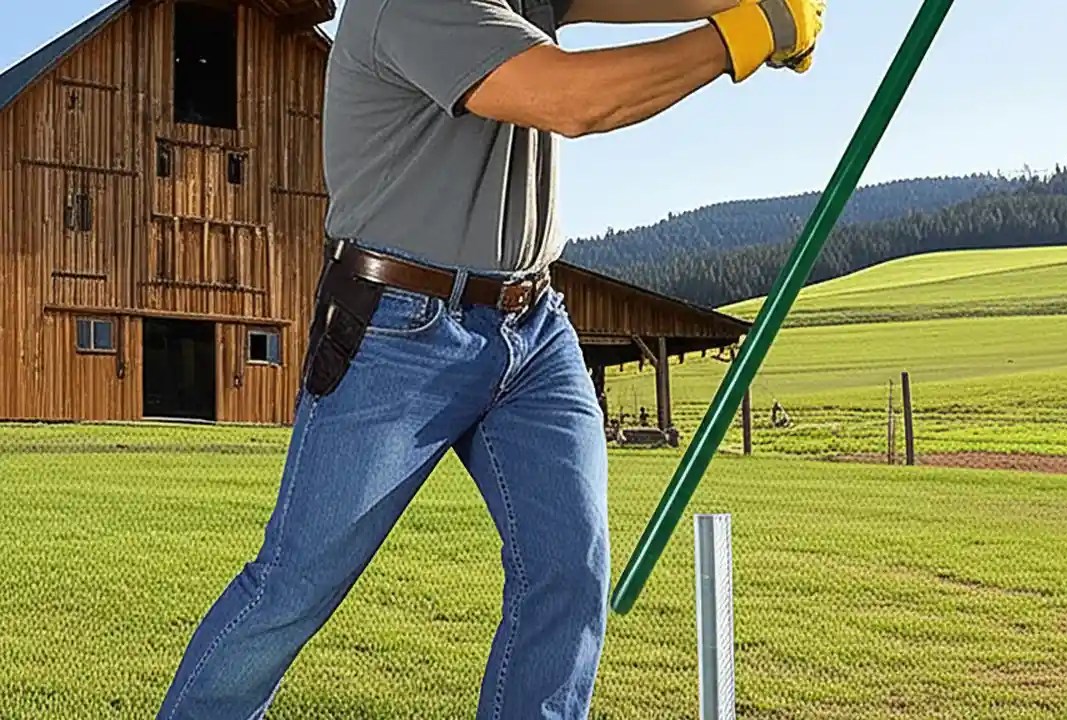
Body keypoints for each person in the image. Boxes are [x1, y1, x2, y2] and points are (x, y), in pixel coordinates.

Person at [156, 0, 826, 717]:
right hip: (399, 332)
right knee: (295, 585)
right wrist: (746, 35)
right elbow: (575, 100)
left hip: (533, 329)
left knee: (568, 567)